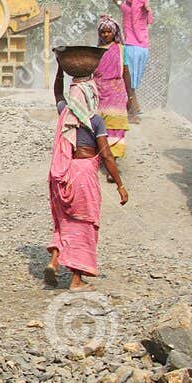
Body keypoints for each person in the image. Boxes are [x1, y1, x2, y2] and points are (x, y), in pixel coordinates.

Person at [47, 61, 128, 289]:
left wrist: (60, 68)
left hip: (63, 171)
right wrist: (120, 185)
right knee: (84, 223)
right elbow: (107, 155)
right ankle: (76, 279)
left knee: (64, 220)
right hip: (83, 174)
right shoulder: (95, 120)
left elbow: (57, 93)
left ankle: (54, 260)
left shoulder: (66, 113)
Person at [110, 0, 153, 116]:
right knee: (133, 82)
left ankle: (133, 111)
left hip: (131, 47)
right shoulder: (145, 9)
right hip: (143, 49)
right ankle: (135, 109)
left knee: (128, 81)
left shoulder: (125, 9)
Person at [93, 16, 134, 166]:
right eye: (103, 32)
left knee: (115, 125)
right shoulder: (96, 51)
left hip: (116, 92)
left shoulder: (121, 50)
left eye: (108, 32)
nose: (105, 35)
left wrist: (130, 96)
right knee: (99, 124)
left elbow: (126, 72)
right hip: (99, 91)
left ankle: (113, 159)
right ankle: (102, 156)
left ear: (114, 32)